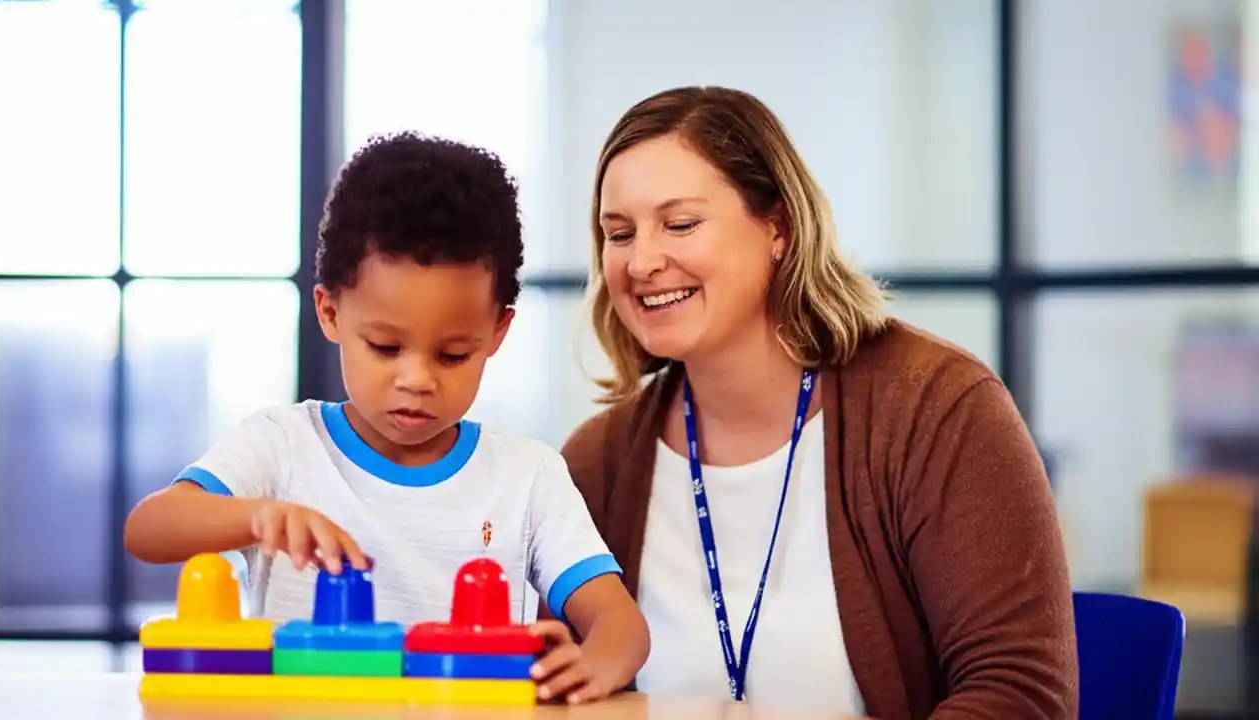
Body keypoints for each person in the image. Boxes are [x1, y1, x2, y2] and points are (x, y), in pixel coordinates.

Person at [560, 86, 1078, 718]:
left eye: (681, 224)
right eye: (619, 234)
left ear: (778, 227)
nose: (641, 261)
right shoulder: (599, 461)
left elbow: (1022, 695)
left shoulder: (938, 411)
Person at [125, 130, 649, 704]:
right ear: (330, 312)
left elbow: (620, 624)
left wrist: (595, 665)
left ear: (498, 330)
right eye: (384, 346)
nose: (417, 379)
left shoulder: (528, 476)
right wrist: (256, 516)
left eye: (453, 354)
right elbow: (150, 529)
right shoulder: (282, 446)